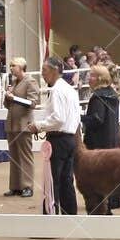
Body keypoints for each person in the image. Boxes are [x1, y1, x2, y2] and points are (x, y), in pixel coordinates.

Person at [36, 54, 80, 214]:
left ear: (54, 70)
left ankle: (50, 217)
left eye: (44, 70)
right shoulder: (70, 90)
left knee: (52, 180)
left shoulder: (56, 91)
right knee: (66, 180)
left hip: (58, 140)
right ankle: (70, 214)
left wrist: (39, 126)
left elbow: (58, 119)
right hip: (70, 139)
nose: (42, 73)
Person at [3, 55, 39, 197]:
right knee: (14, 156)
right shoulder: (13, 82)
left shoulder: (30, 81)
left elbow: (33, 103)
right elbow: (7, 105)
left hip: (24, 124)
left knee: (25, 156)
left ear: (21, 67)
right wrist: (8, 96)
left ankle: (27, 186)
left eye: (14, 66)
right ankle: (15, 186)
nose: (11, 68)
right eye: (11, 66)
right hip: (12, 124)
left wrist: (15, 98)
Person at [83, 63, 120, 149]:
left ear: (100, 79)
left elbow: (97, 119)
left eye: (92, 76)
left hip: (98, 145)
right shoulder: (113, 94)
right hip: (112, 142)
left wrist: (80, 118)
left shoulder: (98, 97)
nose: (89, 78)